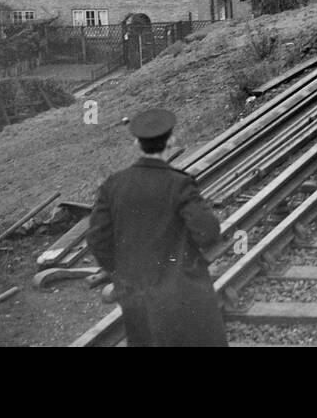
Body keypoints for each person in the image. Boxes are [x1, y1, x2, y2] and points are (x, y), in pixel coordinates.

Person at [88, 108, 227, 347]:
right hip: (183, 294)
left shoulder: (113, 185)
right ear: (171, 141)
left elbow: (97, 240)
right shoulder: (180, 184)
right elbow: (208, 233)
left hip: (135, 295)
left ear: (136, 143)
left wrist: (121, 274)